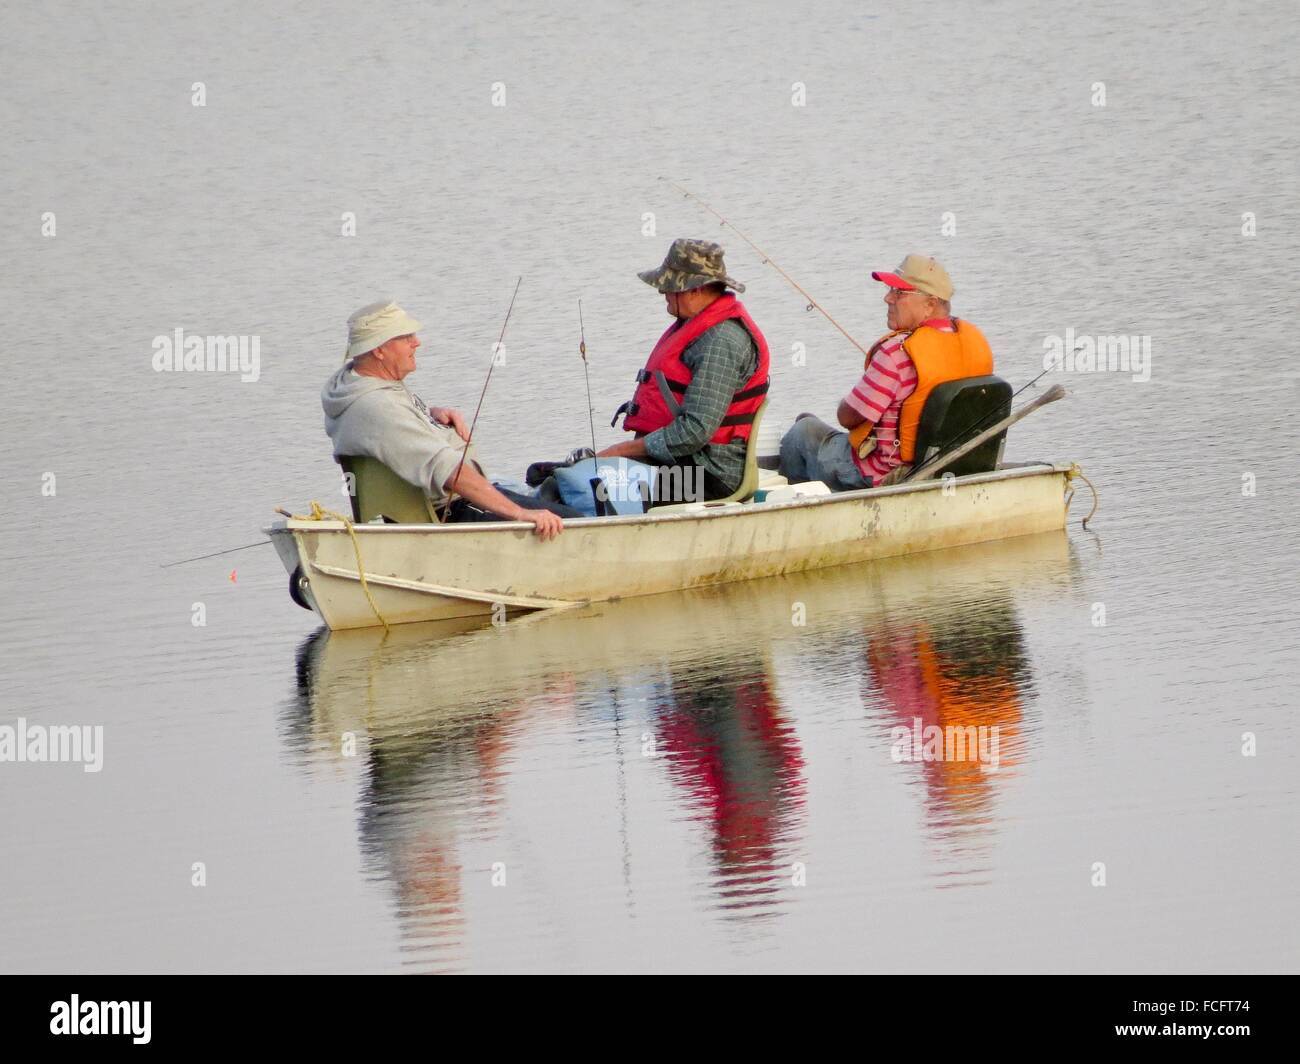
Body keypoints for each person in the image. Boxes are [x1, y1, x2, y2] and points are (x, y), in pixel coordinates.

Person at [321, 300, 576, 538]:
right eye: (406, 337)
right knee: (572, 521)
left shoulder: (354, 386)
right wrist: (520, 514)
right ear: (379, 350)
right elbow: (450, 472)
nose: (416, 343)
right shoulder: (377, 407)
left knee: (554, 507)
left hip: (451, 501)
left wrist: (428, 416)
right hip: (452, 510)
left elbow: (395, 430)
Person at [779, 254, 993, 490]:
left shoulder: (896, 353)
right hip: (950, 466)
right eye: (890, 290)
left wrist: (842, 404)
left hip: (886, 474)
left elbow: (847, 418)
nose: (887, 298)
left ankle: (796, 502)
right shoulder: (974, 343)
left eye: (899, 292)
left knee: (802, 431)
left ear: (930, 304)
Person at [601, 239, 770, 504]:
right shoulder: (697, 326)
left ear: (695, 290)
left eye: (669, 286)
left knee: (600, 489)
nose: (663, 292)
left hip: (711, 474)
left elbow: (694, 431)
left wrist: (622, 450)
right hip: (683, 462)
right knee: (572, 475)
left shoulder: (720, 342)